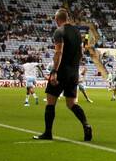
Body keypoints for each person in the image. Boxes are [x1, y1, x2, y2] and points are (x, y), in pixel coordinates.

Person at [33, 8, 93, 142]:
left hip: (61, 72)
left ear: (57, 19)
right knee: (71, 103)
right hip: (74, 73)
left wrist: (54, 72)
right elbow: (81, 53)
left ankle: (48, 133)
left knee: (50, 102)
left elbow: (58, 52)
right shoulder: (77, 32)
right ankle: (86, 124)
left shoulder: (59, 31)